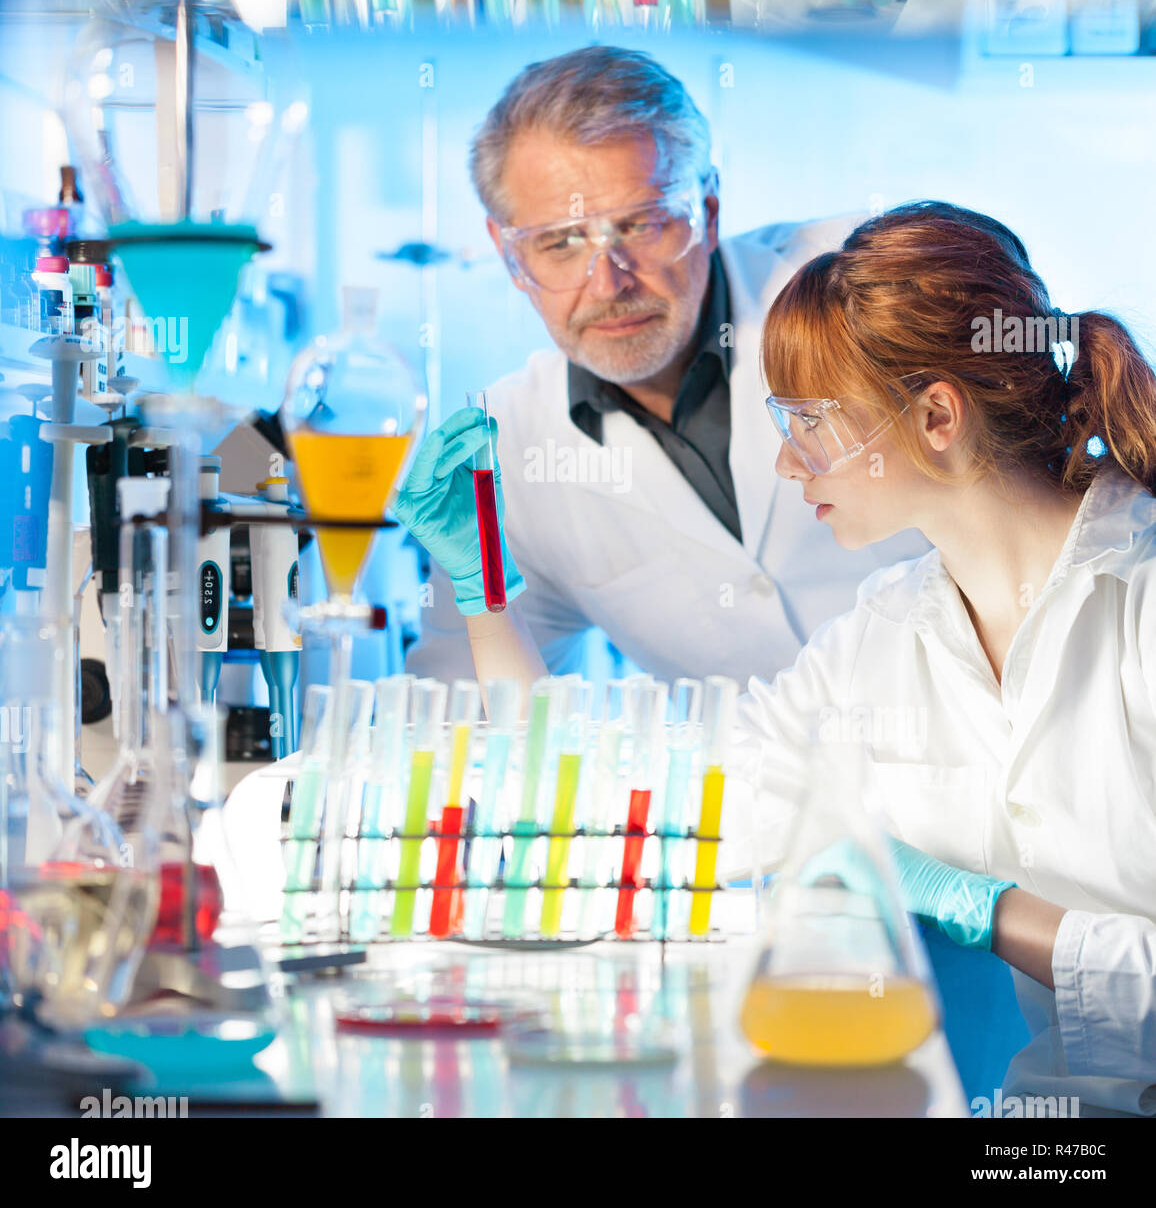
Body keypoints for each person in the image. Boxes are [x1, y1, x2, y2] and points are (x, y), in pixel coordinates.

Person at [395, 198, 1156, 1114]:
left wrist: (992, 913)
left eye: (811, 422)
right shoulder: (884, 639)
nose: (791, 465)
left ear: (938, 417)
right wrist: (485, 596)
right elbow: (636, 820)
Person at [403, 46, 925, 686]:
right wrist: (474, 592)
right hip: (745, 785)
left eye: (643, 224)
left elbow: (1051, 523)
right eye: (561, 243)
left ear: (706, 211)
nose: (608, 283)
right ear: (505, 252)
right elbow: (466, 717)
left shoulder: (867, 287)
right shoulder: (510, 453)